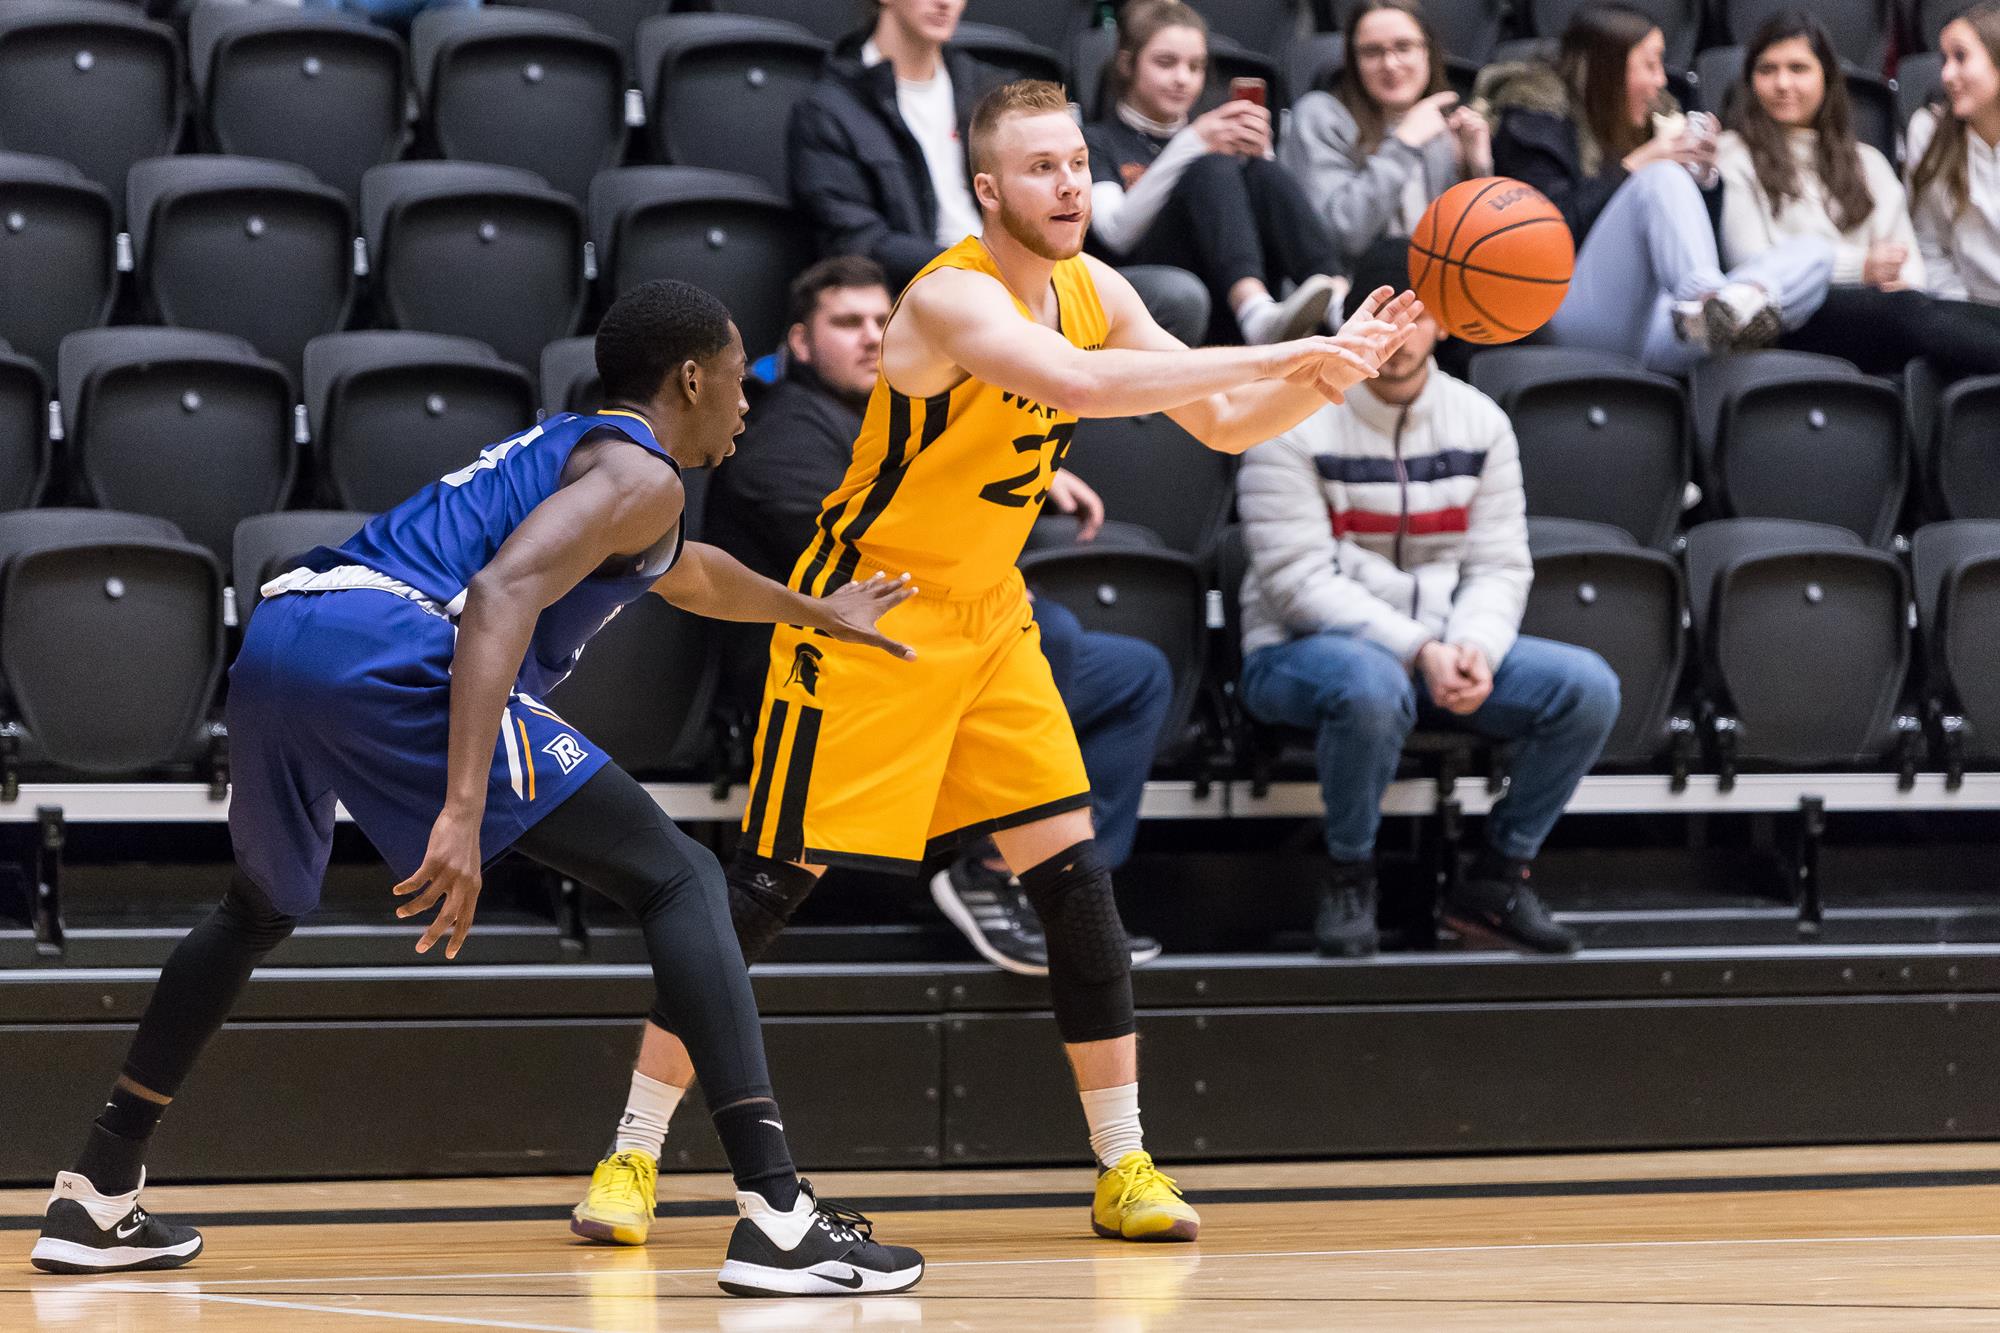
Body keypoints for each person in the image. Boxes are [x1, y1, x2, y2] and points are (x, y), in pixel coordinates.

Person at [574, 77, 1422, 1253]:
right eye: (1040, 167)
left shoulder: (1099, 286)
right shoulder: (948, 298)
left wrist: (1319, 375)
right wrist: (1284, 350)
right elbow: (1079, 386)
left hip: (989, 618)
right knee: (766, 892)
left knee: (1073, 884)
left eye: (1077, 162)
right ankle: (628, 1151)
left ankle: (1123, 1164)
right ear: (988, 189)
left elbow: (1221, 423)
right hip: (867, 614)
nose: (1069, 182)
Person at [28, 280, 929, 1299]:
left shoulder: (592, 459)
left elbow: (690, 576)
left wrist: (813, 608)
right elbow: (502, 592)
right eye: (736, 378)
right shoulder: (643, 477)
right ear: (689, 377)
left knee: (258, 906)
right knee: (679, 876)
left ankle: (97, 1190)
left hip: (287, 632)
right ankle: (776, 1213)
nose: (745, 401)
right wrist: (459, 811)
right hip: (390, 647)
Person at [697, 254, 1171, 978]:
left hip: (936, 636)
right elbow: (869, 557)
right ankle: (986, 869)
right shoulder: (782, 433)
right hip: (816, 660)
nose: (868, 335)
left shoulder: (899, 409)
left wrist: (1035, 468)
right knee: (1058, 635)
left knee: (1136, 673)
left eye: (881, 321)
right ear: (798, 342)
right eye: (845, 321)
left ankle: (1053, 897)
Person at [1237, 246, 1619, 959]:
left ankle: (1496, 879)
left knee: (1588, 688)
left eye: (1416, 314)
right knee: (1370, 684)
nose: (1397, 331)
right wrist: (1420, 648)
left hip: (1439, 648)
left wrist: (1474, 645)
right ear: (1353, 317)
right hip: (1296, 653)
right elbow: (1296, 582)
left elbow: (1501, 564)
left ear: (1442, 324)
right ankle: (1350, 872)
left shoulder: (1481, 423)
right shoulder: (1290, 418)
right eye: (1381, 311)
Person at [789, 0, 1212, 342]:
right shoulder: (829, 108)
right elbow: (855, 241)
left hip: (1029, 274)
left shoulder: (988, 88)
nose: (944, 2)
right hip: (929, 288)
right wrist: (983, 267)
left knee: (1177, 296)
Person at [1483, 3, 1832, 372]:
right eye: (1649, 65)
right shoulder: (1535, 120)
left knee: (1816, 253)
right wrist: (1638, 165)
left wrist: (1704, 180)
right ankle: (1710, 303)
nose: (1661, 81)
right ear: (1609, 69)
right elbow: (1543, 235)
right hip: (1572, 318)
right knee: (1661, 178)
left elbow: (1699, 249)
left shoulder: (1653, 120)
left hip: (1669, 327)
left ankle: (1723, 311)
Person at [1718, 11, 2000, 378]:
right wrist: (1861, 266)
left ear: (1826, 77)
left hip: (1880, 318)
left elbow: (1912, 268)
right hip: (1792, 314)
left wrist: (1899, 281)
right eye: (1767, 70)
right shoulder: (1733, 153)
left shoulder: (1869, 163)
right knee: (1905, 310)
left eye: (1798, 68)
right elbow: (1750, 263)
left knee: (1947, 311)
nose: (1782, 83)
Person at [1082, 0, 1350, 344]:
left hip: (1220, 281)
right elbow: (1116, 233)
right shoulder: (1097, 140)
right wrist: (1193, 141)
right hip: (1152, 288)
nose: (1183, 79)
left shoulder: (1208, 138)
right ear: (1127, 64)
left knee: (1262, 173)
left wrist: (1260, 156)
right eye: (1165, 63)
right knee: (1211, 167)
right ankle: (1255, 310)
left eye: (1195, 67)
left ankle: (1339, 303)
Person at [1283, 0, 1491, 272]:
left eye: (1404, 47)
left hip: (1436, 290)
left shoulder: (1443, 125)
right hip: (1355, 293)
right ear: (1353, 61)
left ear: (1428, 52)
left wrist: (1479, 172)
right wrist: (1404, 144)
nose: (1390, 64)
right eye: (1372, 52)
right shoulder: (1320, 115)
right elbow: (1343, 236)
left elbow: (1481, 250)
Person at [1909, 3, 2000, 308]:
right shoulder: (1928, 131)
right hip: (1964, 317)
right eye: (1944, 59)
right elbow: (1929, 247)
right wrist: (1962, 312)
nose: (1946, 75)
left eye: (1960, 57)